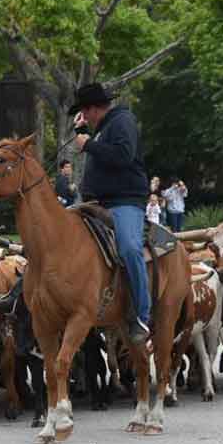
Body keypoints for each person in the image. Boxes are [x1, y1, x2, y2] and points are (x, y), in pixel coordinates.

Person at [69, 83, 153, 343]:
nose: (85, 117)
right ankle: (20, 300)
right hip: (97, 203)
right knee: (55, 235)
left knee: (129, 247)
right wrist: (82, 132)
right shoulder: (103, 128)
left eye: (85, 112)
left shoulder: (122, 120)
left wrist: (88, 144)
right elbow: (100, 149)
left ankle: (142, 315)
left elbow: (124, 156)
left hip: (125, 200)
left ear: (93, 109)